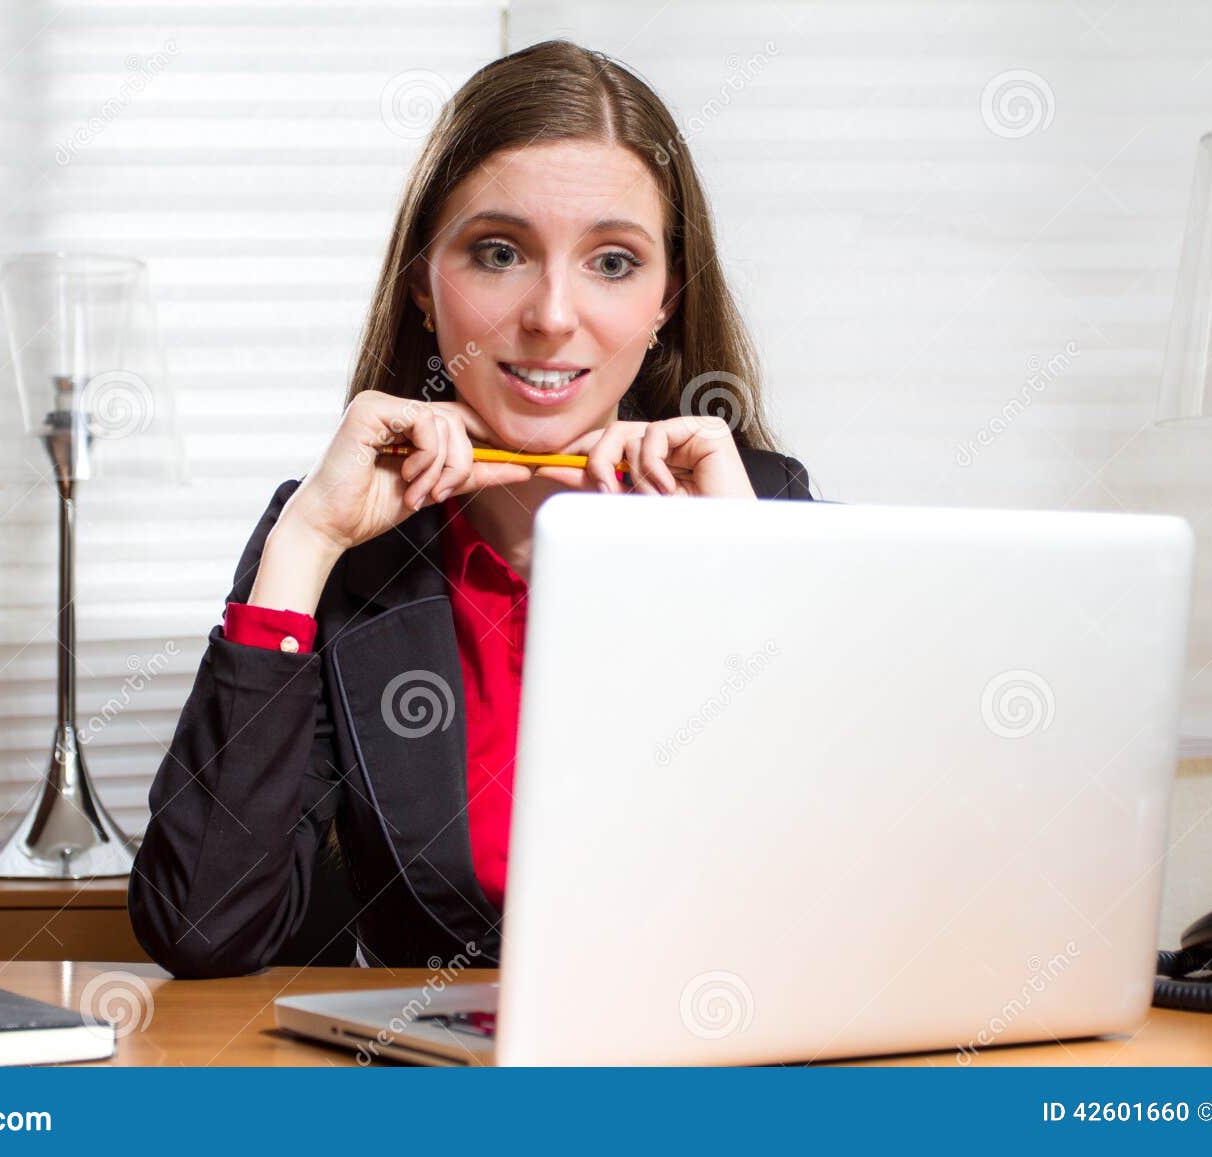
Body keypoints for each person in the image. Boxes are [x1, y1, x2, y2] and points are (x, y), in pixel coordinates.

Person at [127, 38, 818, 979]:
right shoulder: (339, 549)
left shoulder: (761, 508)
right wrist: (307, 544)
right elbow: (205, 929)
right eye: (500, 253)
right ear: (423, 283)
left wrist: (748, 585)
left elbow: (851, 898)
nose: (551, 315)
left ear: (668, 298)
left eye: (614, 262)